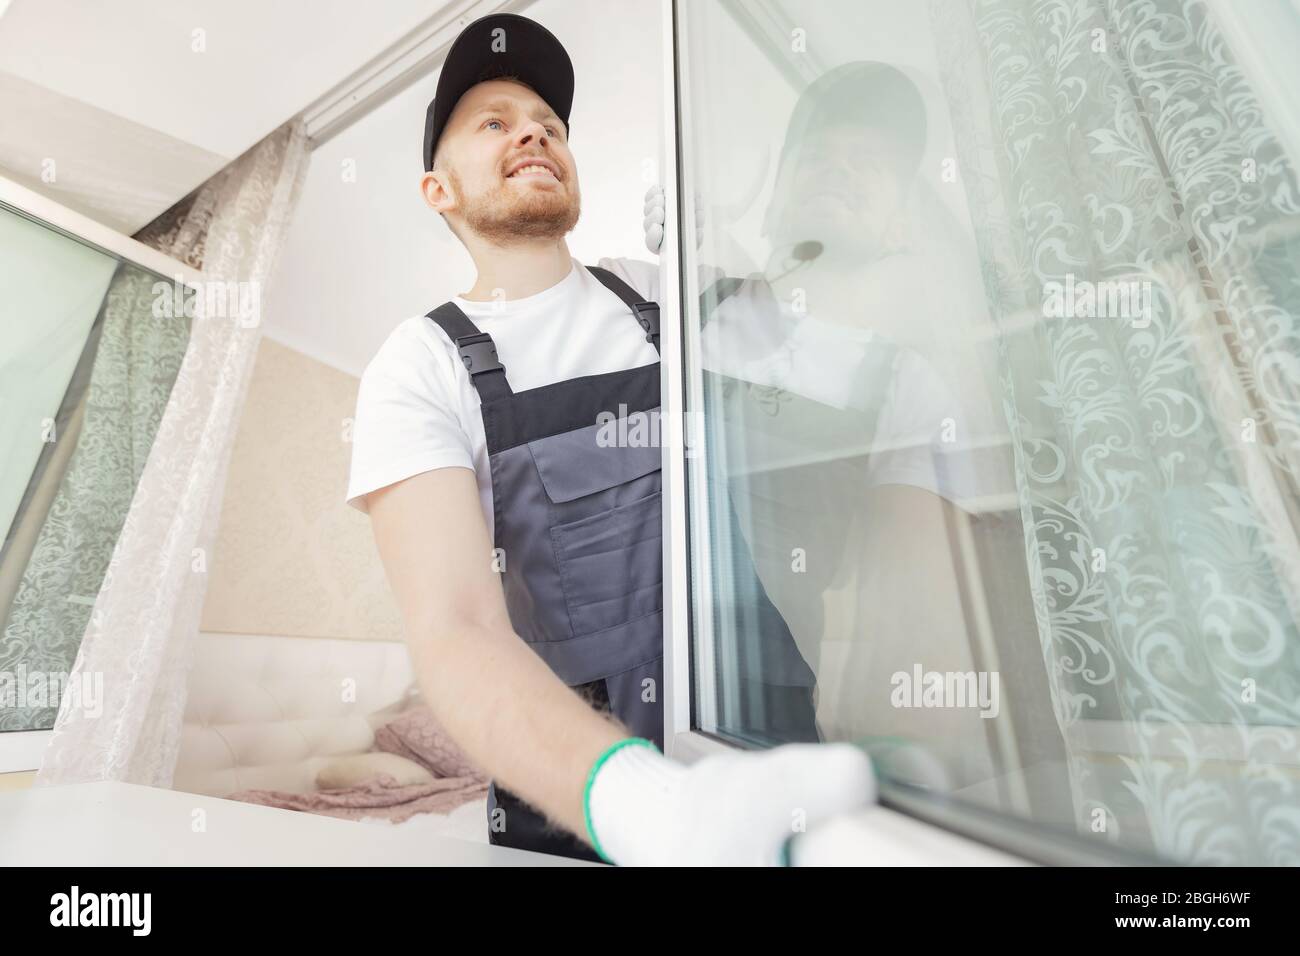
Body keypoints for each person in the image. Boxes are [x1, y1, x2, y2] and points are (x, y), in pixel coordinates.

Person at [345, 13, 872, 866]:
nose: (533, 132)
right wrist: (652, 809)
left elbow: (840, 337)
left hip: (767, 746)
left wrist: (757, 229)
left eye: (550, 125)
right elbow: (456, 632)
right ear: (437, 189)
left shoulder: (662, 299)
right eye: (494, 121)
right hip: (578, 809)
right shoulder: (420, 366)